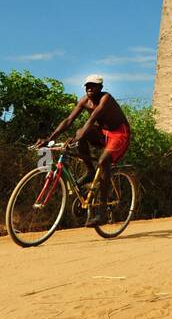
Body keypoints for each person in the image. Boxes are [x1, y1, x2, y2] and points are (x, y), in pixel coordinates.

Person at [35, 75, 131, 226]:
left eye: (93, 86)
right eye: (87, 86)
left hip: (119, 134)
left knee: (103, 161)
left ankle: (102, 212)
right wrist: (49, 139)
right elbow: (68, 120)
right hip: (104, 133)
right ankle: (90, 172)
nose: (89, 89)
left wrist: (76, 138)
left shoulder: (105, 99)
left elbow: (91, 120)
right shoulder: (84, 101)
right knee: (82, 132)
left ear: (101, 88)